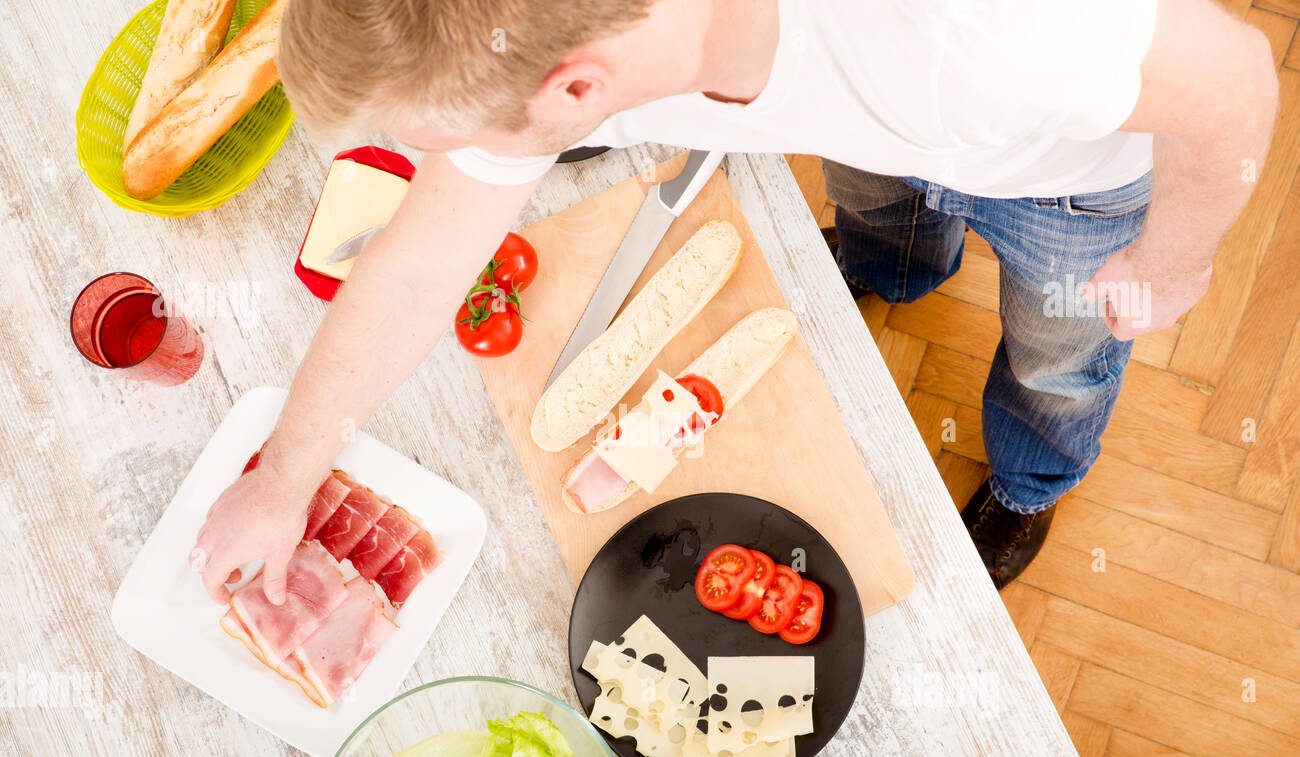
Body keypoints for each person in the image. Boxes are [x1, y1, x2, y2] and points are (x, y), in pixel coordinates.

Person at [193, 0, 1278, 602]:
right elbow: (426, 259)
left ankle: (1035, 480)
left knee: (1057, 358)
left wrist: (1176, 257)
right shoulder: (563, 34)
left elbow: (1235, 74)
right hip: (887, 126)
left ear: (579, 91)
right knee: (882, 216)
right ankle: (900, 270)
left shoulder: (993, 33)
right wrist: (286, 469)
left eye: (456, 142)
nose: (456, 170)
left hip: (1073, 186)